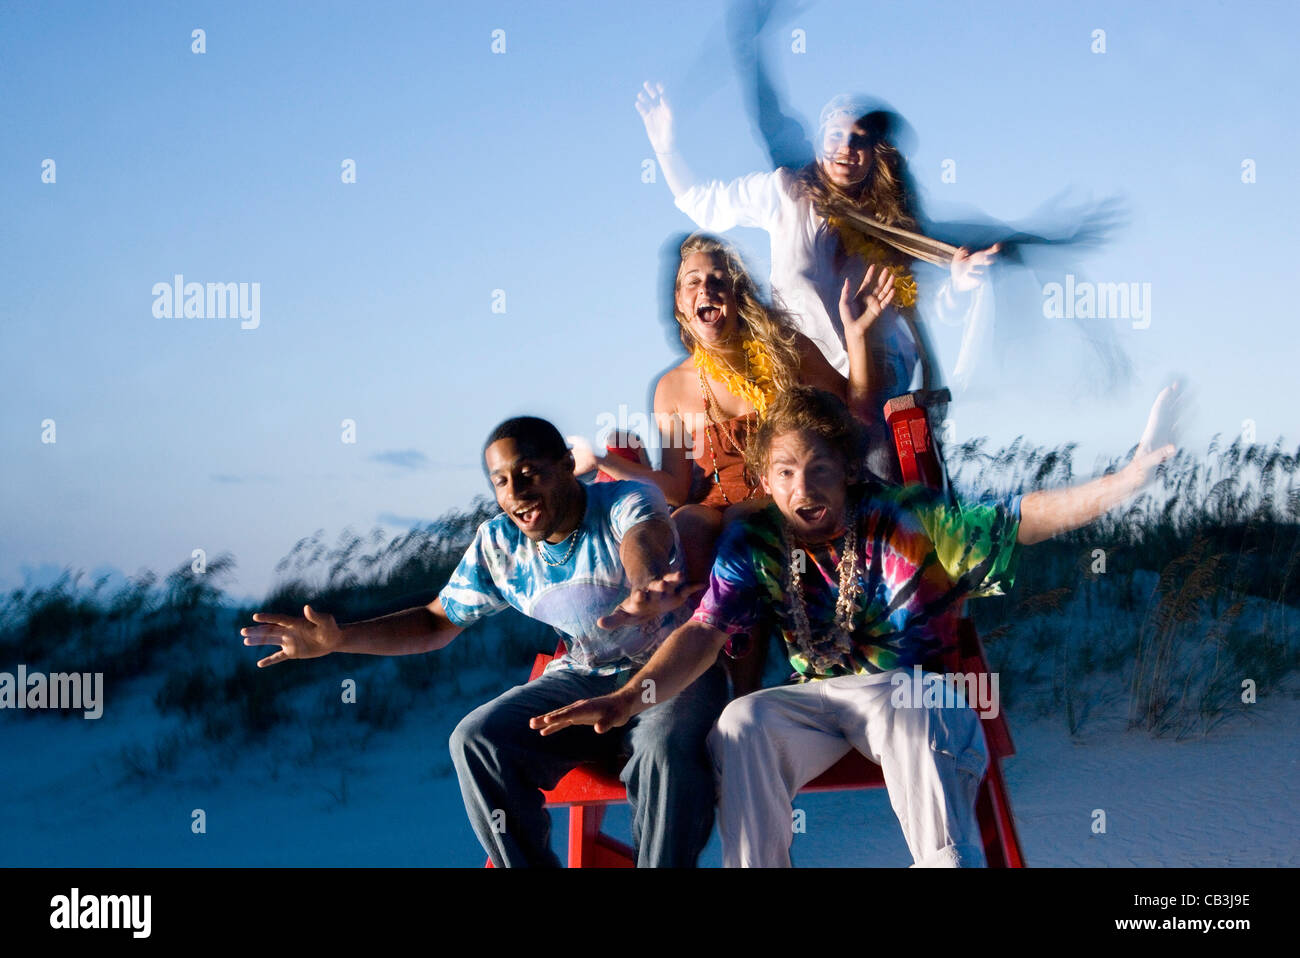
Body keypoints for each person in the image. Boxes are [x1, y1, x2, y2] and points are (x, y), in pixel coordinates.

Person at [534, 383, 1179, 866]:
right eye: (785, 473)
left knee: (904, 703)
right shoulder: (756, 541)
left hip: (911, 692)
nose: (803, 487)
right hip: (819, 700)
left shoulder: (905, 519)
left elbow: (1022, 518)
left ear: (845, 468)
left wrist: (1126, 480)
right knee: (741, 721)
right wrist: (627, 697)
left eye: (818, 468)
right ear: (767, 479)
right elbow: (704, 632)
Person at [240, 415, 726, 867]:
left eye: (529, 472)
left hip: (672, 669)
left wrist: (644, 585)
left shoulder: (623, 499)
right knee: (476, 740)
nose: (515, 492)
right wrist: (340, 639)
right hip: (583, 677)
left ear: (567, 466)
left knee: (664, 751)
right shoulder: (500, 544)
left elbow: (644, 538)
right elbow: (434, 623)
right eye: (501, 481)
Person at [637, 83, 1001, 479]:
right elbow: (702, 202)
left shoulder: (891, 227)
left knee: (880, 490)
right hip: (806, 378)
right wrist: (665, 146)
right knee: (808, 485)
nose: (846, 147)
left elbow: (926, 307)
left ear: (876, 153)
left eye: (859, 140)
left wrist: (960, 284)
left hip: (876, 385)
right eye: (836, 136)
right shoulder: (786, 192)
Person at [577, 231, 894, 587]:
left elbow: (857, 412)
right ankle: (704, 628)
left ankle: (759, 635)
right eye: (692, 282)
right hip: (713, 507)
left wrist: (857, 334)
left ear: (736, 295)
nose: (705, 289)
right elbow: (676, 489)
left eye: (718, 280)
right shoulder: (672, 388)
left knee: (743, 520)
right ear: (680, 302)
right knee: (687, 523)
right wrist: (601, 461)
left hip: (791, 496)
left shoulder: (787, 350)